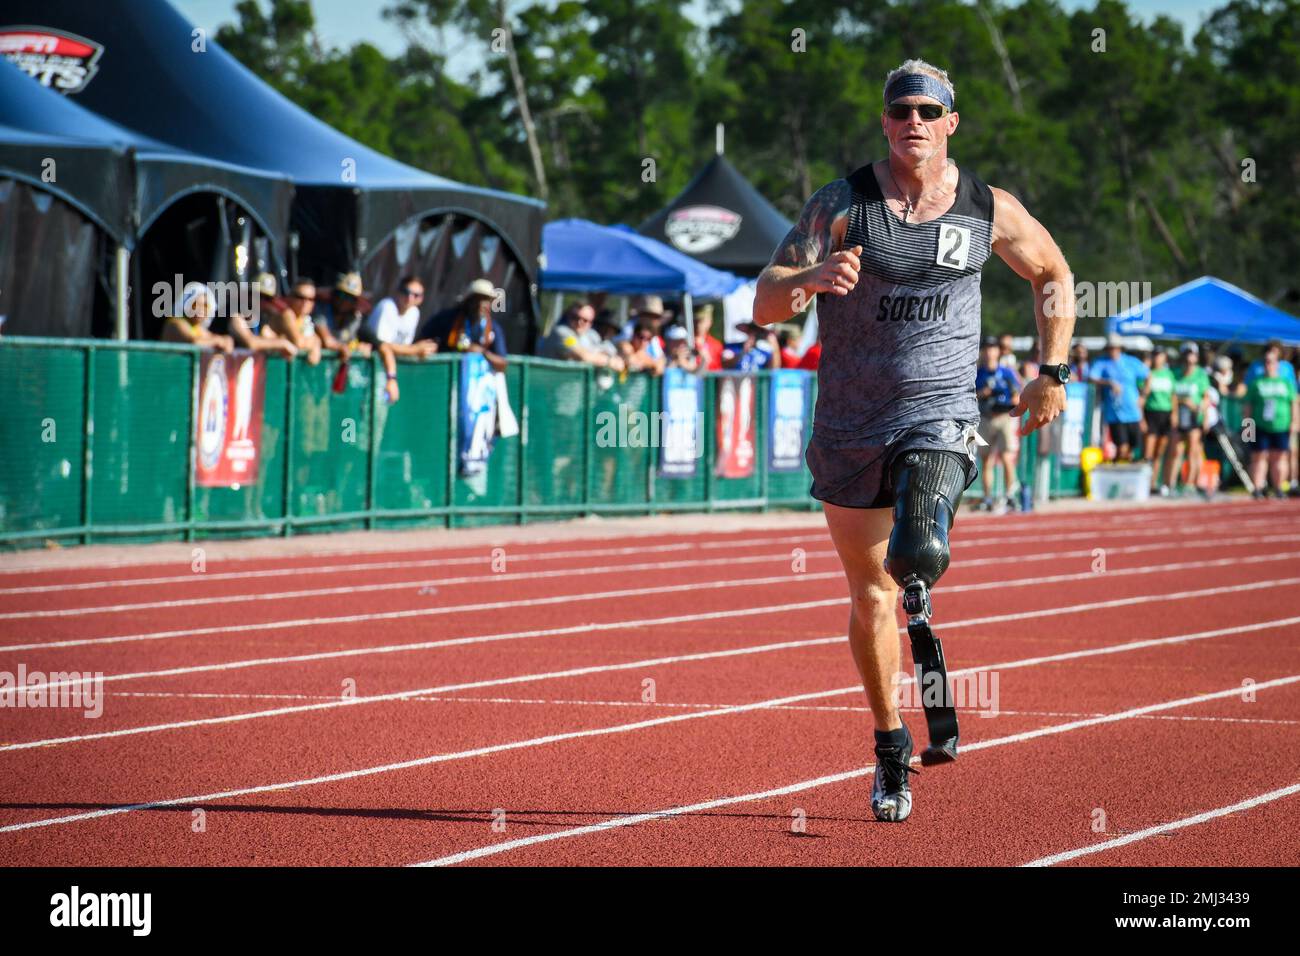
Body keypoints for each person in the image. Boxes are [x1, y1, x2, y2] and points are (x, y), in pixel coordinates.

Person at [752, 58, 1074, 822]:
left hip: (940, 412)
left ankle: (920, 562)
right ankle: (892, 744)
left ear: (952, 121)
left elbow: (1053, 272)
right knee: (872, 595)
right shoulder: (839, 204)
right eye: (902, 112)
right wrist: (812, 276)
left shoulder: (987, 207)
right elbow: (764, 303)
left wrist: (1051, 370)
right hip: (848, 426)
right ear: (886, 121)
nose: (915, 123)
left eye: (930, 111)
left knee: (919, 539)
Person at [315, 272, 402, 404]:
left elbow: (384, 348)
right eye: (341, 295)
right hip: (315, 379)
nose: (344, 301)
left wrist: (391, 379)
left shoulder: (357, 321)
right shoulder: (320, 312)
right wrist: (347, 348)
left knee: (345, 421)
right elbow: (328, 341)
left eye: (350, 298)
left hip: (340, 385)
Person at [974, 336, 1022, 511]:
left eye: (993, 348)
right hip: (985, 418)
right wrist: (983, 393)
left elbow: (1017, 394)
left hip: (1004, 418)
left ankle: (1010, 495)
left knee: (1007, 457)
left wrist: (1011, 399)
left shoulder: (1007, 372)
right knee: (986, 459)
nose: (989, 352)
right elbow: (971, 395)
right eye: (986, 348)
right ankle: (987, 498)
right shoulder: (978, 373)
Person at [422, 278, 508, 374]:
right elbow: (423, 341)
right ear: (468, 301)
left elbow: (502, 364)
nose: (480, 304)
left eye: (485, 300)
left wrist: (482, 352)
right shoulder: (447, 319)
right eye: (476, 299)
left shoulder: (493, 328)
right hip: (445, 377)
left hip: (477, 383)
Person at [1244, 349, 1298, 498]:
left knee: (1279, 457)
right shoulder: (1257, 383)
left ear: (1277, 364)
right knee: (1258, 456)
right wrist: (1247, 428)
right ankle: (1257, 488)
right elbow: (1248, 406)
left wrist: (1295, 422)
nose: (1269, 365)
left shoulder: (1286, 383)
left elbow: (1293, 403)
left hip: (1281, 425)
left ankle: (1279, 488)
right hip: (1260, 424)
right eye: (1266, 362)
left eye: (1271, 362)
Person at [1088, 333, 1148, 462]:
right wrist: (1109, 382)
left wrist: (1143, 396)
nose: (1112, 351)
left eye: (1115, 348)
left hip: (1133, 412)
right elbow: (1091, 378)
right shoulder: (1101, 363)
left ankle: (1125, 472)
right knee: (1122, 447)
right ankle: (1120, 470)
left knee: (1133, 448)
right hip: (1115, 413)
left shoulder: (1131, 362)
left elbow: (1148, 375)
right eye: (1110, 348)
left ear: (1120, 348)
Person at [1164, 341, 1213, 496]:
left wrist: (1204, 415)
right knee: (1176, 451)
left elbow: (1206, 398)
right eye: (1186, 355)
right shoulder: (1175, 373)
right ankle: (1170, 484)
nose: (1189, 359)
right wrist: (1180, 404)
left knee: (1193, 450)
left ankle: (1189, 484)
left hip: (1194, 417)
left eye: (1192, 355)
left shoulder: (1201, 374)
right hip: (1179, 416)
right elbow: (1171, 395)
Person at [366, 275, 439, 361]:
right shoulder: (387, 306)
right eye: (406, 292)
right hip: (371, 360)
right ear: (398, 292)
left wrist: (423, 349)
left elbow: (405, 347)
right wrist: (416, 349)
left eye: (416, 295)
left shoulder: (414, 312)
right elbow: (383, 346)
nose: (410, 298)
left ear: (421, 299)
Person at [540, 302, 625, 371]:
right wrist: (609, 361)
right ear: (568, 317)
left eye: (585, 320)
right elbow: (584, 356)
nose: (580, 322)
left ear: (591, 323)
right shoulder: (562, 334)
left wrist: (614, 359)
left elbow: (602, 351)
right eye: (575, 317)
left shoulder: (590, 336)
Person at [264, 279, 325, 365]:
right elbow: (298, 342)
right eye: (300, 297)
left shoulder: (304, 319)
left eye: (310, 299)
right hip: (269, 369)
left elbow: (317, 339)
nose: (305, 302)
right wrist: (314, 344)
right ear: (290, 298)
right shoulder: (286, 314)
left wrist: (316, 344)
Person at [160, 282, 234, 352]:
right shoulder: (176, 323)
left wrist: (225, 340)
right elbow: (194, 342)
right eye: (195, 304)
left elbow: (213, 338)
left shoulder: (197, 328)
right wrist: (218, 341)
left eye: (205, 306)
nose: (200, 310)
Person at [1141, 348, 1176, 493]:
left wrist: (1175, 414)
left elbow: (1173, 396)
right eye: (1155, 355)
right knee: (1148, 452)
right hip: (1151, 413)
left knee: (1159, 452)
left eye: (1160, 355)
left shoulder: (1169, 374)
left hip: (1165, 413)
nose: (1157, 358)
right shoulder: (1147, 373)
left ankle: (1153, 483)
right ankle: (1144, 483)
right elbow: (1143, 396)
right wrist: (1142, 418)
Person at [693, 304, 724, 371]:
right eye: (696, 321)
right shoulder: (686, 342)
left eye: (701, 321)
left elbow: (717, 368)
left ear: (709, 322)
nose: (698, 324)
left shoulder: (716, 345)